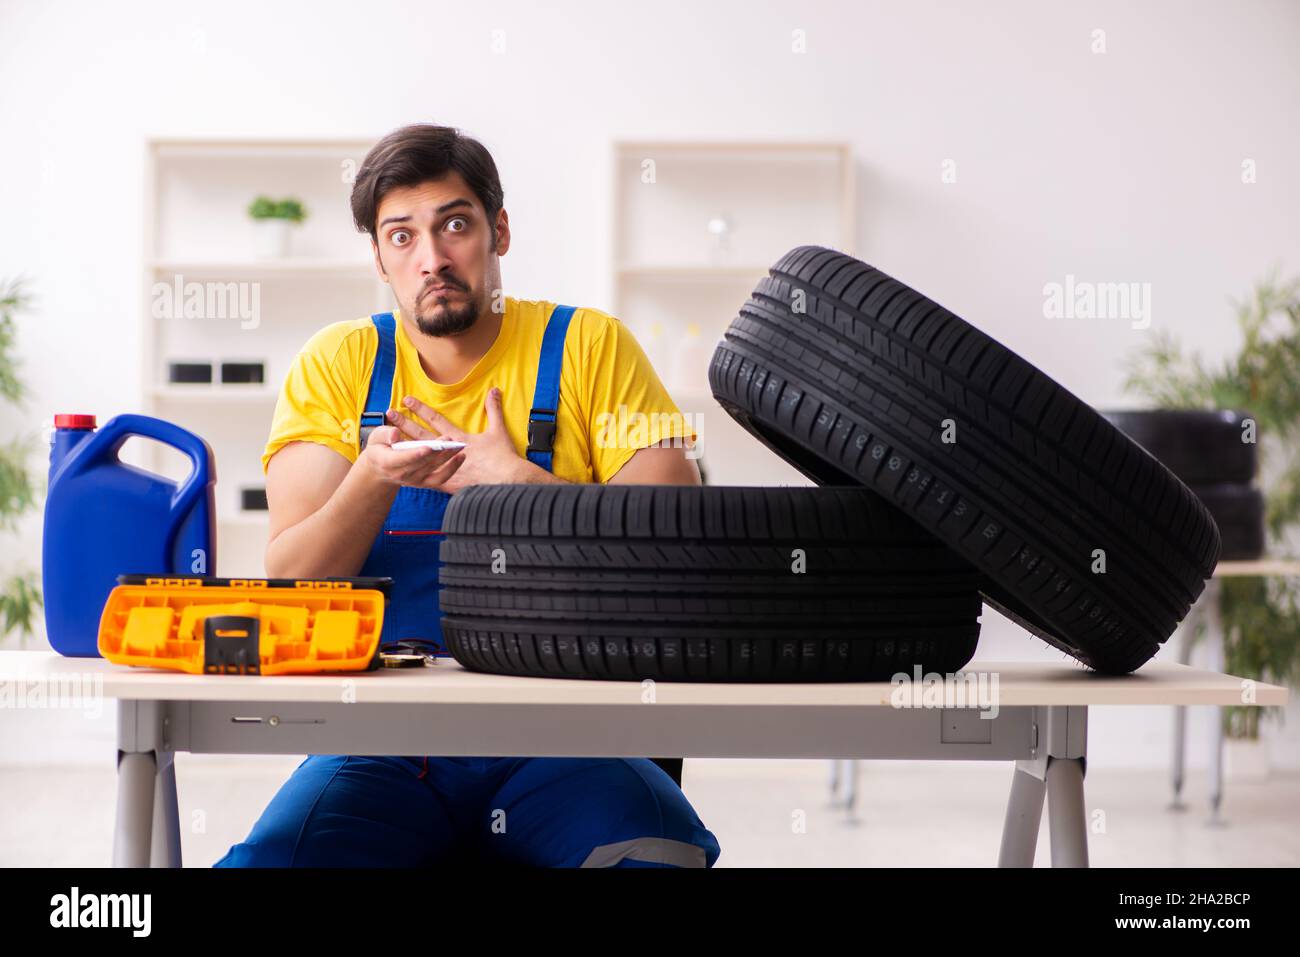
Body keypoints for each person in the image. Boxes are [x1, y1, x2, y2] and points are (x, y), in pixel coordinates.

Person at [214, 123, 721, 868]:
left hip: (569, 740)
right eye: (401, 236)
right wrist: (374, 477)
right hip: (381, 747)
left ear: (499, 231)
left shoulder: (593, 347)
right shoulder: (337, 365)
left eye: (455, 224)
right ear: (379, 257)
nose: (432, 258)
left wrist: (522, 485)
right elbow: (290, 583)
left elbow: (675, 550)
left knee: (656, 857)